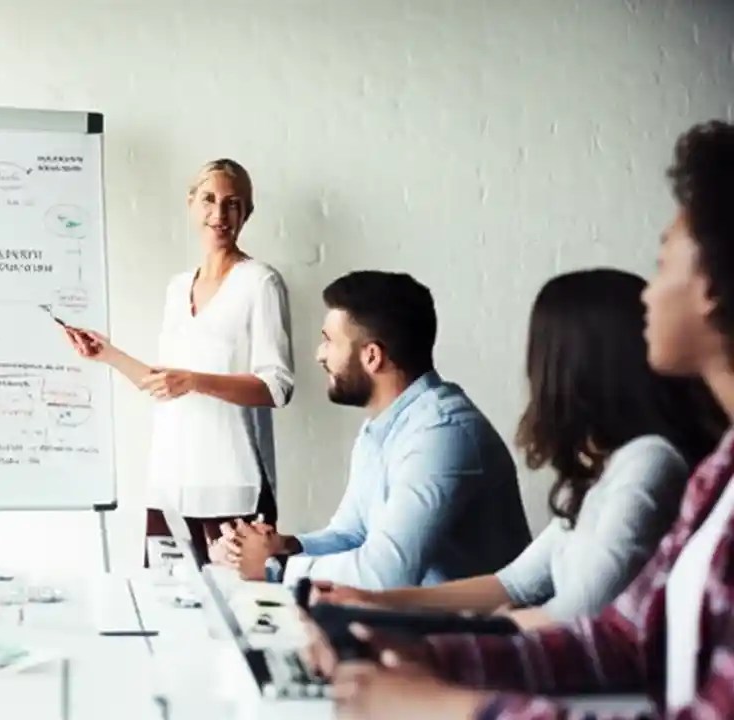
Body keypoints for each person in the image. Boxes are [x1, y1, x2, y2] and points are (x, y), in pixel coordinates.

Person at [323, 120, 734, 720]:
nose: (648, 293)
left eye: (664, 260)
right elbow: (622, 640)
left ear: (716, 283)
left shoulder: (652, 464)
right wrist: (426, 653)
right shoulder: (713, 476)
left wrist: (450, 706)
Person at [312, 269, 725, 629]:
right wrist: (376, 603)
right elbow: (513, 583)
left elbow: (574, 618)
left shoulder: (648, 462)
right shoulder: (595, 475)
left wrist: (432, 634)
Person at [212, 271, 531, 589]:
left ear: (372, 356)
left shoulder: (442, 434)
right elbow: (352, 534)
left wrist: (276, 568)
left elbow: (385, 574)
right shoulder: (383, 425)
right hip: (414, 623)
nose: (319, 354)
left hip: (470, 632)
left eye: (328, 341)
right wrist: (280, 547)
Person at [63, 159, 294, 562]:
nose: (219, 214)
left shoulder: (260, 282)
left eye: (233, 203)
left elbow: (276, 388)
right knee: (165, 607)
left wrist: (195, 381)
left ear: (247, 213)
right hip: (169, 484)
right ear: (191, 204)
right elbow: (165, 383)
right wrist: (107, 353)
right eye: (208, 199)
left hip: (233, 485)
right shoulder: (176, 288)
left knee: (237, 609)